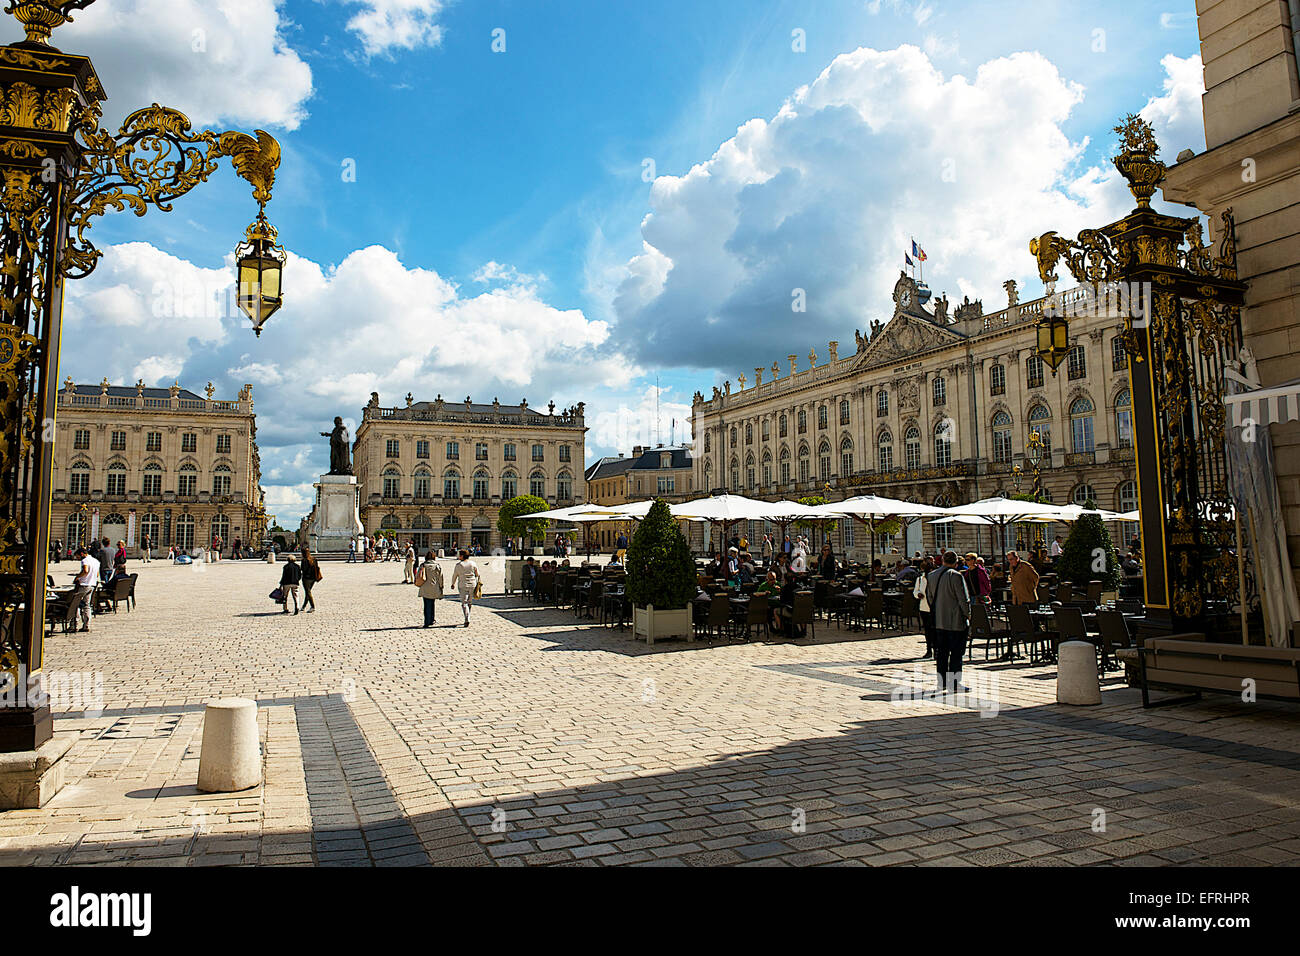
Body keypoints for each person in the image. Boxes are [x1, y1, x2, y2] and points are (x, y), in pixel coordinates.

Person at [927, 551, 971, 693]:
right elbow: (963, 599)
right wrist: (968, 615)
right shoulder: (956, 576)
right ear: (956, 562)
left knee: (941, 654)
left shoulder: (931, 575)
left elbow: (930, 598)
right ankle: (955, 683)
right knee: (956, 653)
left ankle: (942, 683)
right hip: (955, 620)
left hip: (939, 621)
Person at [65, 545, 100, 633]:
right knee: (87, 605)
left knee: (75, 604)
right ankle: (86, 625)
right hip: (92, 584)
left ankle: (74, 625)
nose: (78, 558)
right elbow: (97, 574)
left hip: (84, 585)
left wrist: (77, 577)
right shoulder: (96, 561)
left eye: (78, 557)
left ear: (82, 554)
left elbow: (85, 570)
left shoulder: (85, 561)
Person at [913, 555, 936, 659]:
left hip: (935, 607)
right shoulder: (920, 579)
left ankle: (936, 650)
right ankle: (928, 650)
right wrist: (918, 594)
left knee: (935, 629)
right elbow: (915, 591)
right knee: (927, 630)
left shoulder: (935, 579)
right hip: (924, 607)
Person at [449, 550, 479, 627]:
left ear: (462, 556)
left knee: (464, 603)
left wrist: (453, 583)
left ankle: (467, 618)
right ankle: (468, 616)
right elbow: (477, 574)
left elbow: (455, 575)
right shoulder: (473, 563)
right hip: (472, 584)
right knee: (469, 601)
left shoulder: (459, 565)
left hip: (463, 584)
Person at [417, 550, 445, 627]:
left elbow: (418, 576)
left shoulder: (423, 565)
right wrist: (441, 586)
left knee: (426, 605)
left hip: (425, 587)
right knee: (432, 603)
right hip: (434, 586)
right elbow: (440, 577)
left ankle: (426, 621)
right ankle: (432, 619)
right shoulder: (437, 566)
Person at [300, 547, 321, 613]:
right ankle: (304, 606)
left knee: (308, 592)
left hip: (306, 578)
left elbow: (303, 569)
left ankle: (312, 606)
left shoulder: (304, 560)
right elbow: (317, 567)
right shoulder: (314, 559)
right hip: (313, 578)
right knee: (308, 592)